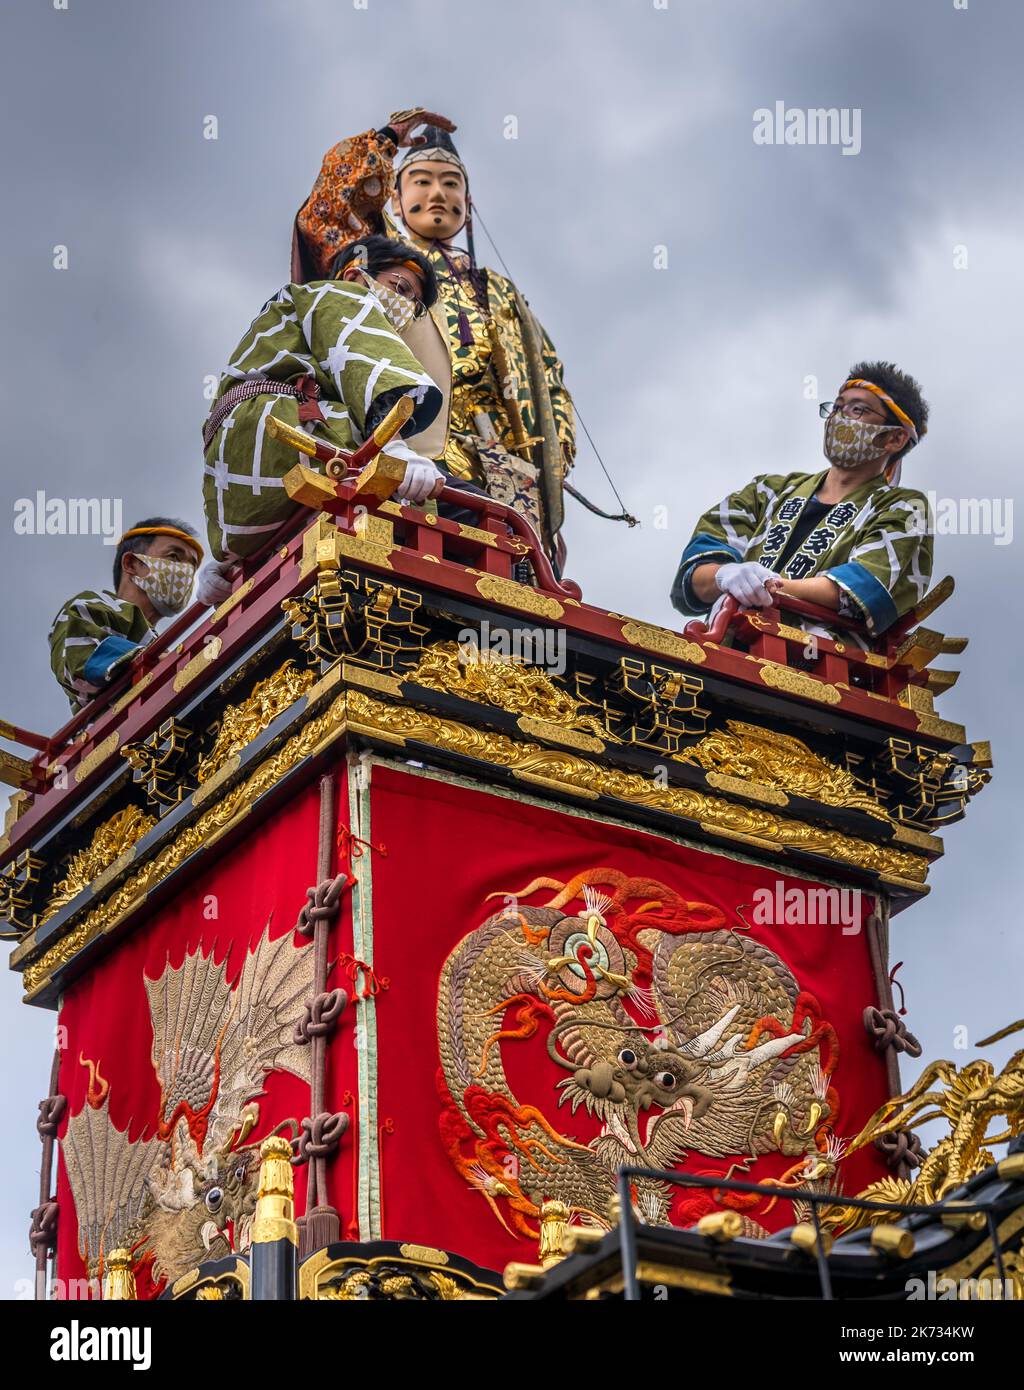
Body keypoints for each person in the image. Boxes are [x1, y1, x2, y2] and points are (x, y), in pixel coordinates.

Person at [290, 109, 576, 560]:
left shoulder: (502, 291)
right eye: (422, 181)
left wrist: (551, 469)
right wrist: (384, 142)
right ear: (397, 201)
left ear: (468, 201)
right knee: (425, 556)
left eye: (451, 183)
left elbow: (548, 378)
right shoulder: (386, 260)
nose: (438, 193)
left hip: (505, 463)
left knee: (514, 573)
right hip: (415, 433)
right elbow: (325, 210)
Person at [198, 234, 447, 603]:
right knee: (457, 502)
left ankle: (235, 556)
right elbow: (366, 360)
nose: (404, 305)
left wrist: (225, 558)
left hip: (235, 469)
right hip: (285, 423)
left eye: (412, 303)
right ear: (355, 274)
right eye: (400, 287)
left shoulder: (285, 320)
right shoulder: (337, 295)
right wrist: (397, 448)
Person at [670, 362, 933, 644]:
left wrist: (770, 587)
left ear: (895, 438)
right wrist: (725, 574)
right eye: (837, 407)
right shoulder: (769, 491)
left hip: (817, 663)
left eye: (858, 410)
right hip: (723, 645)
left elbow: (862, 587)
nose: (839, 419)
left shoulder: (903, 508)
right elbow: (697, 571)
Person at [49, 519, 202, 711]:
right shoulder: (93, 606)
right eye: (174, 557)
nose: (185, 572)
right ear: (131, 563)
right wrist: (166, 662)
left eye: (192, 566)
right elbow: (79, 660)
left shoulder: (158, 642)